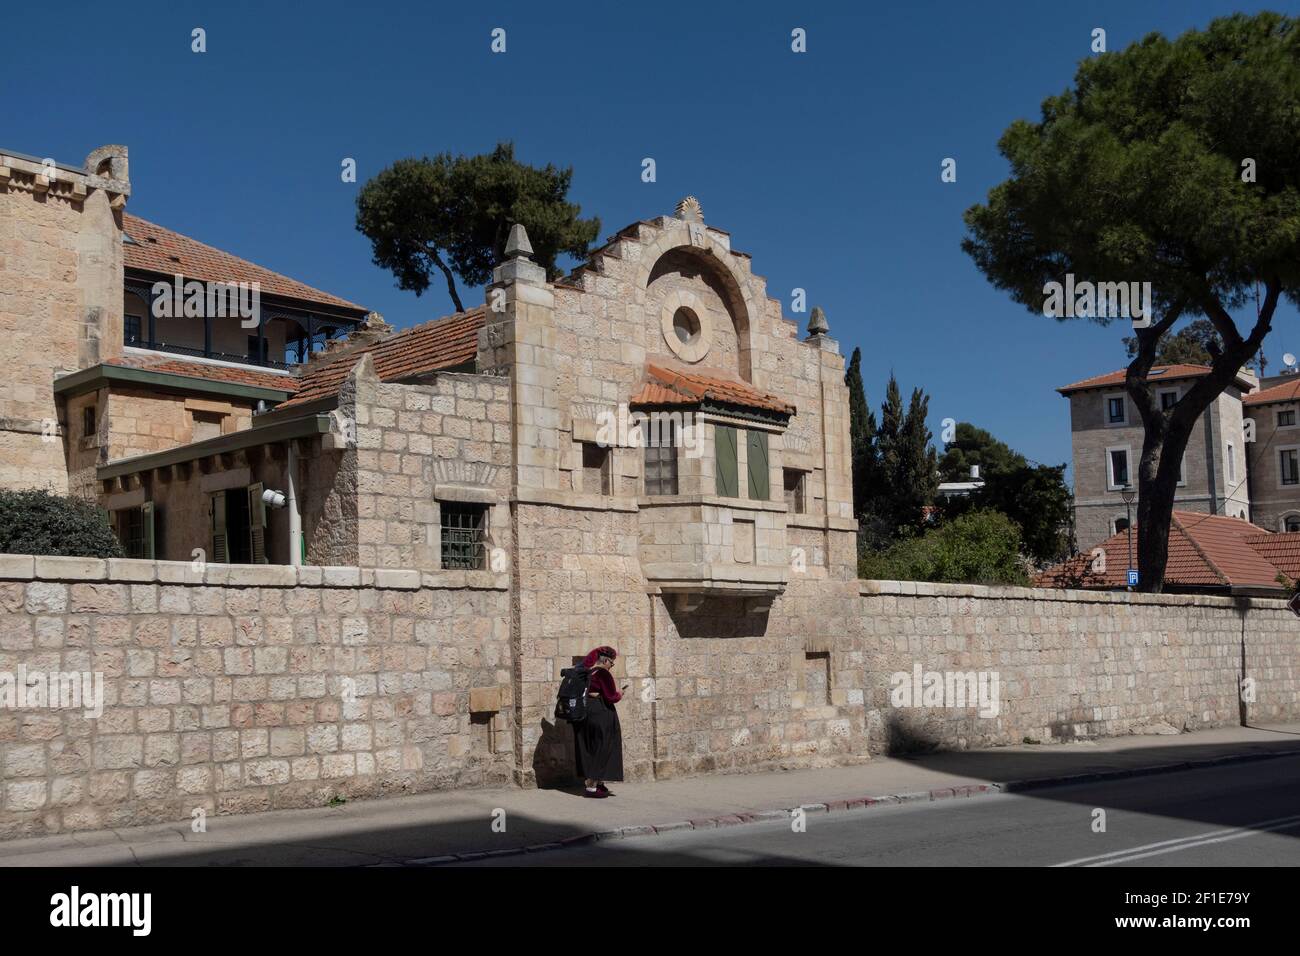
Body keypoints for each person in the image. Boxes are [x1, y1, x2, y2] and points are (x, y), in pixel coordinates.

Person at [574, 645, 625, 798]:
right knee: (604, 747)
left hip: (587, 713)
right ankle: (591, 785)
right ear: (606, 660)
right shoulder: (603, 673)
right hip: (601, 714)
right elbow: (611, 697)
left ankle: (598, 782)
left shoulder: (588, 672)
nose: (612, 666)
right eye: (612, 662)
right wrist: (620, 693)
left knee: (592, 746)